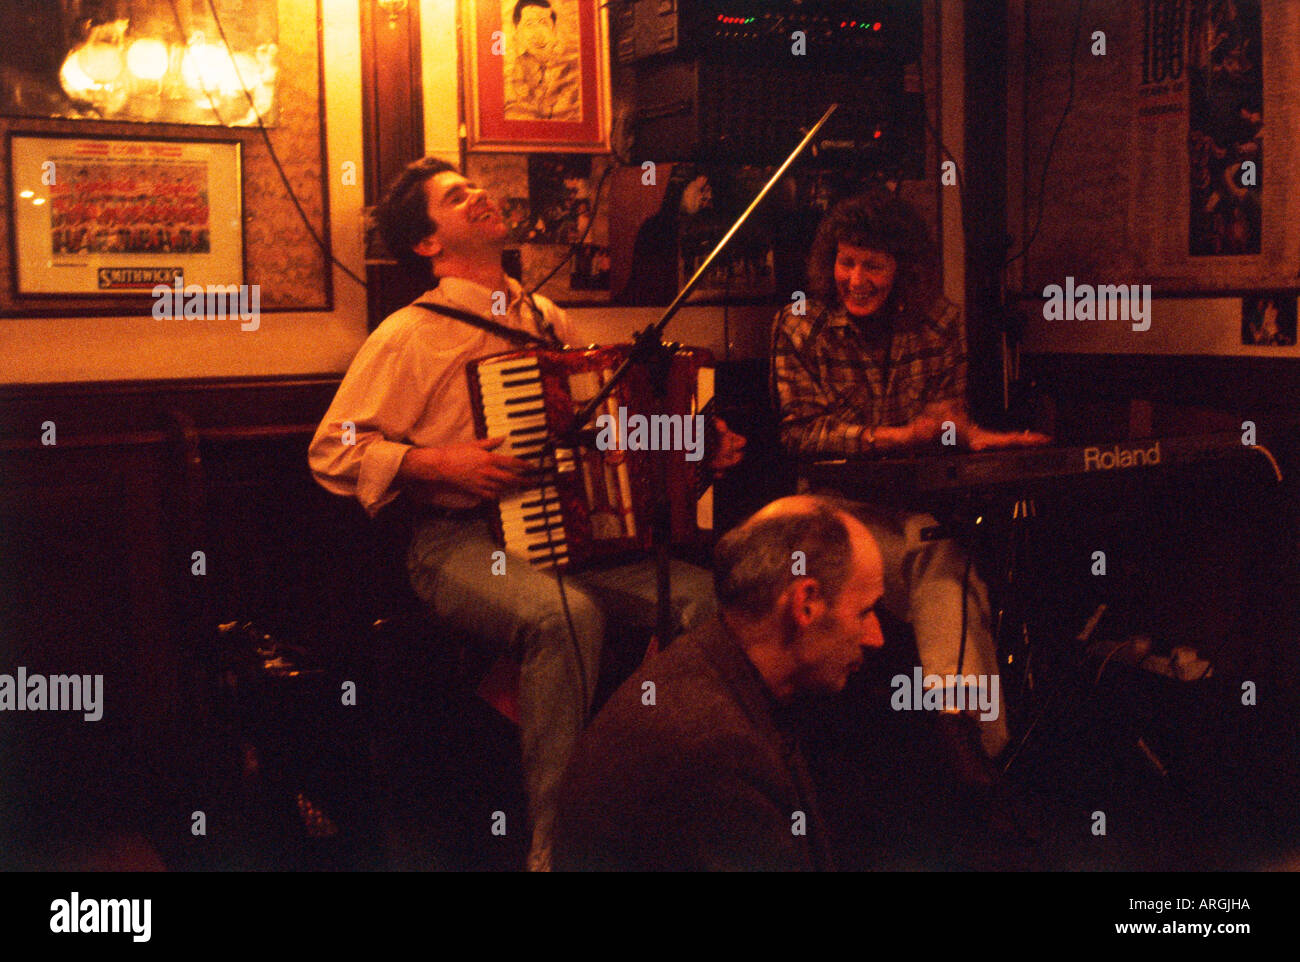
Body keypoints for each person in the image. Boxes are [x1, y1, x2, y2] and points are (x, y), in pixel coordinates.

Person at [308, 156, 744, 870]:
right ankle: (553, 850)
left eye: (474, 186)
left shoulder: (543, 318)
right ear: (428, 243)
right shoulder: (408, 334)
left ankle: (665, 809)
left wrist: (696, 443)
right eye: (456, 197)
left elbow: (606, 423)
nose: (479, 196)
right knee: (567, 616)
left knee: (700, 601)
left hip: (559, 531)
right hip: (454, 543)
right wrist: (433, 462)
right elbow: (330, 451)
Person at [770, 189, 1049, 782]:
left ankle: (965, 739)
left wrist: (970, 436)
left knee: (945, 562)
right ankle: (974, 753)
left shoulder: (940, 322)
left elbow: (945, 423)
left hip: (912, 512)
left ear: (903, 269)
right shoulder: (798, 324)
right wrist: (894, 436)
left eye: (873, 265)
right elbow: (800, 435)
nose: (857, 279)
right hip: (831, 507)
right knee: (928, 561)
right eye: (847, 262)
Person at [554, 495, 885, 871]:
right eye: (865, 611)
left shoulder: (709, 672)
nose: (876, 637)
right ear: (805, 603)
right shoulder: (716, 754)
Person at [503, 0, 580, 122]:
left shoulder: (571, 71)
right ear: (517, 32)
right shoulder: (510, 75)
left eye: (543, 22)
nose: (537, 35)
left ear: (554, 29)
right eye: (529, 24)